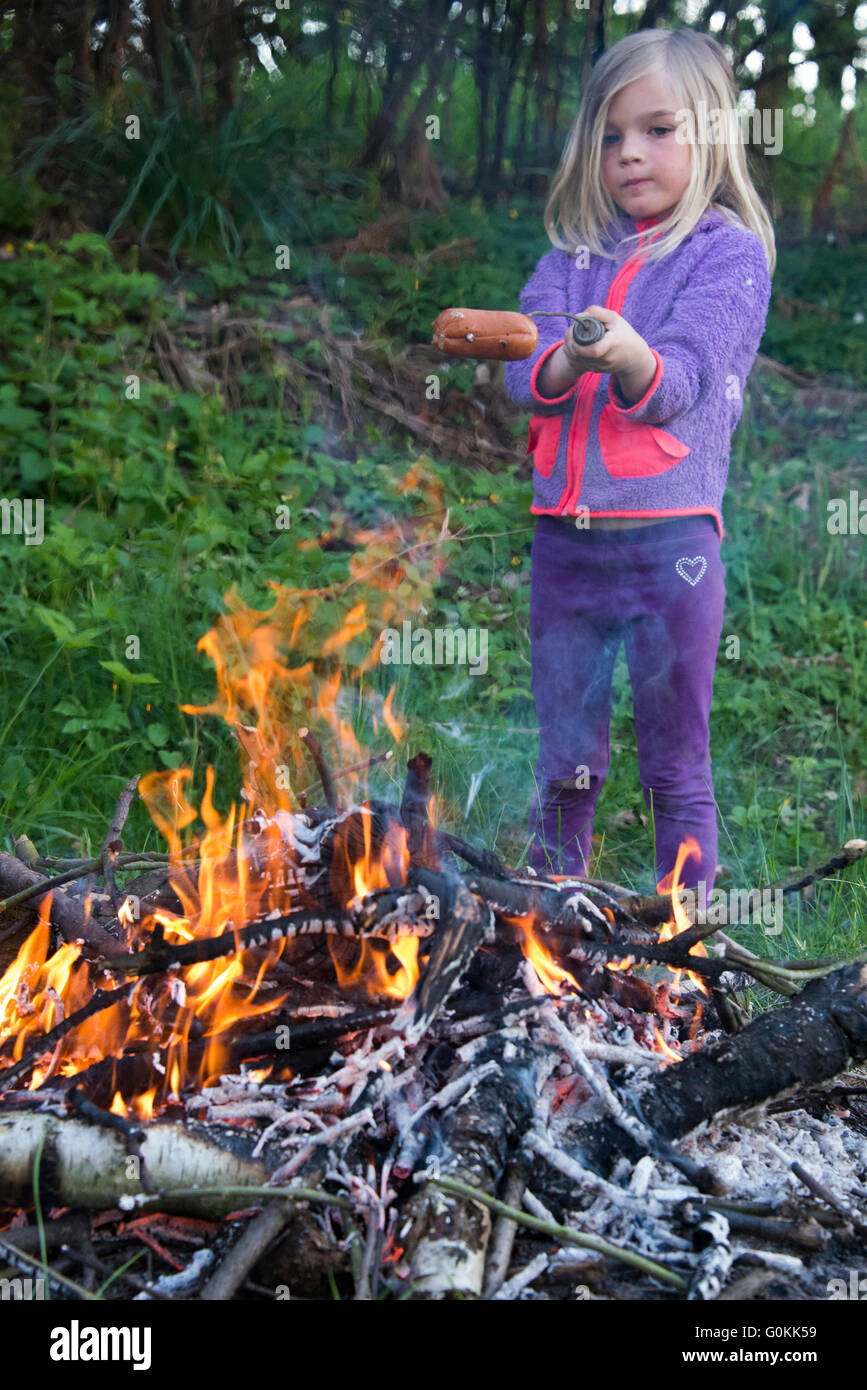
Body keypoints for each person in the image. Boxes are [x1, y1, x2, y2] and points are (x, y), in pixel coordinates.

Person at [503, 27, 775, 907]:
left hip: (671, 549)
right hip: (565, 545)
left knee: (672, 758)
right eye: (611, 134)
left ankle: (687, 935)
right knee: (566, 759)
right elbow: (524, 370)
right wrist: (568, 356)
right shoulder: (567, 259)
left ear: (709, 135)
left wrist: (625, 355)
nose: (629, 154)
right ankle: (550, 924)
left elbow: (686, 378)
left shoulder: (727, 256)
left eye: (657, 130)